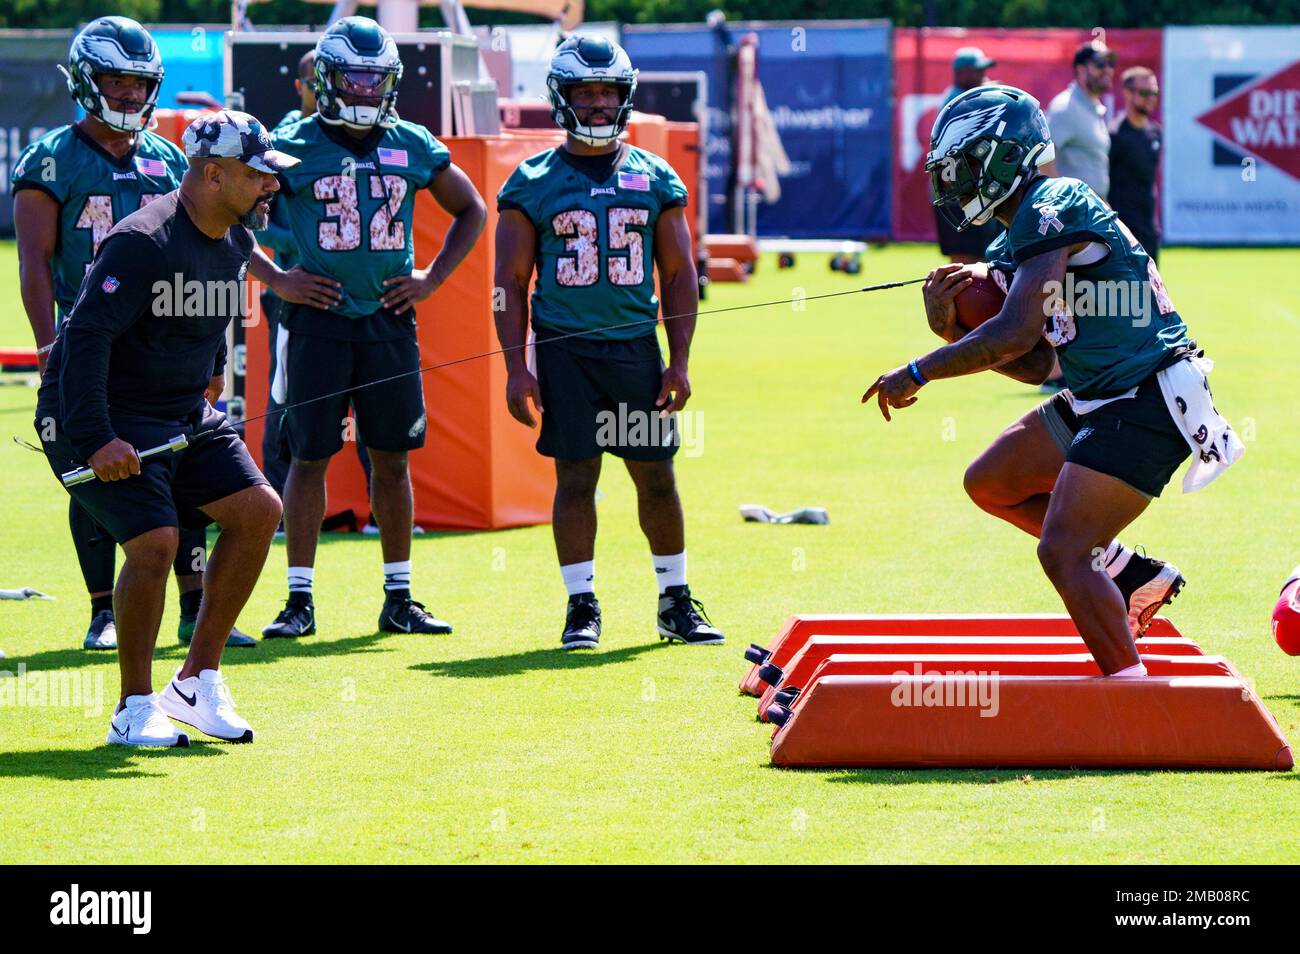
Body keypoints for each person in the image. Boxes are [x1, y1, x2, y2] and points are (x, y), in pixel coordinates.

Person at [864, 85, 1244, 672]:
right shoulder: (1018, 233)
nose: (953, 179)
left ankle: (1131, 693)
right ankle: (1128, 572)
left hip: (1150, 395)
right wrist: (950, 336)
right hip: (1101, 394)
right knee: (990, 481)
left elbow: (1013, 333)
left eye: (967, 163)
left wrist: (919, 370)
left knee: (1064, 550)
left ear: (1006, 155)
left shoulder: (1054, 200)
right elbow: (1038, 362)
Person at [33, 110, 294, 746]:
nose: (272, 185)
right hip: (90, 413)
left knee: (259, 510)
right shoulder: (142, 241)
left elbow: (207, 324)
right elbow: (87, 338)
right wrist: (95, 438)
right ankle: (133, 707)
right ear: (212, 174)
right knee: (155, 543)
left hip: (180, 411)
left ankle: (197, 682)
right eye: (260, 173)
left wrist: (207, 378)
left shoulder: (236, 242)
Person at [11, 17, 260, 650]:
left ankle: (195, 606)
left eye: (137, 83)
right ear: (86, 81)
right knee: (103, 470)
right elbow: (34, 261)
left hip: (169, 342)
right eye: (115, 82)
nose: (127, 95)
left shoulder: (171, 157)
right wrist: (47, 347)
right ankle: (103, 610)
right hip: (93, 339)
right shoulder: (51, 158)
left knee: (186, 469)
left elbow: (212, 252)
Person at [494, 35, 724, 650]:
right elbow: (509, 285)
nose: (597, 104)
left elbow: (678, 276)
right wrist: (518, 370)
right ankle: (581, 606)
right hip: (566, 350)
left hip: (633, 350)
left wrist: (679, 362)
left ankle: (675, 601)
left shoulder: (654, 176)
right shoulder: (532, 180)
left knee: (656, 477)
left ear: (624, 98)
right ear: (561, 97)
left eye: (607, 93)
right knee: (575, 477)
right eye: (584, 93)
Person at [259, 17, 486, 639]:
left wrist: (432, 278)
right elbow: (223, 211)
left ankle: (399, 597)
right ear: (328, 79)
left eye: (375, 79)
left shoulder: (410, 141)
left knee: (392, 460)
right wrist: (277, 280)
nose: (364, 90)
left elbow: (472, 208)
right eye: (354, 78)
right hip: (317, 323)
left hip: (388, 323)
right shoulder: (291, 142)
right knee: (308, 458)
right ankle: (299, 599)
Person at [935, 47, 1001, 264]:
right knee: (964, 263)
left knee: (980, 260)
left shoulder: (963, 98)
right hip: (958, 194)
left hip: (969, 191)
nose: (984, 76)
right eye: (977, 71)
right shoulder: (958, 102)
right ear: (961, 74)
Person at [1045, 41, 1115, 200]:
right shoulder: (1065, 107)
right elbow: (1042, 159)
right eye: (1100, 64)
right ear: (1080, 69)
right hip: (1073, 215)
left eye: (1110, 64)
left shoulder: (1093, 106)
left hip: (1092, 211)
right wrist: (1057, 204)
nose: (1108, 70)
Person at [1108, 66, 1162, 263]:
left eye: (1154, 92)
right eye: (1145, 92)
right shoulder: (1114, 135)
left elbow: (1149, 183)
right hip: (1124, 233)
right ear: (1127, 93)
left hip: (1149, 232)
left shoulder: (1155, 133)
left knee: (1152, 292)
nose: (1151, 98)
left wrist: (1154, 224)